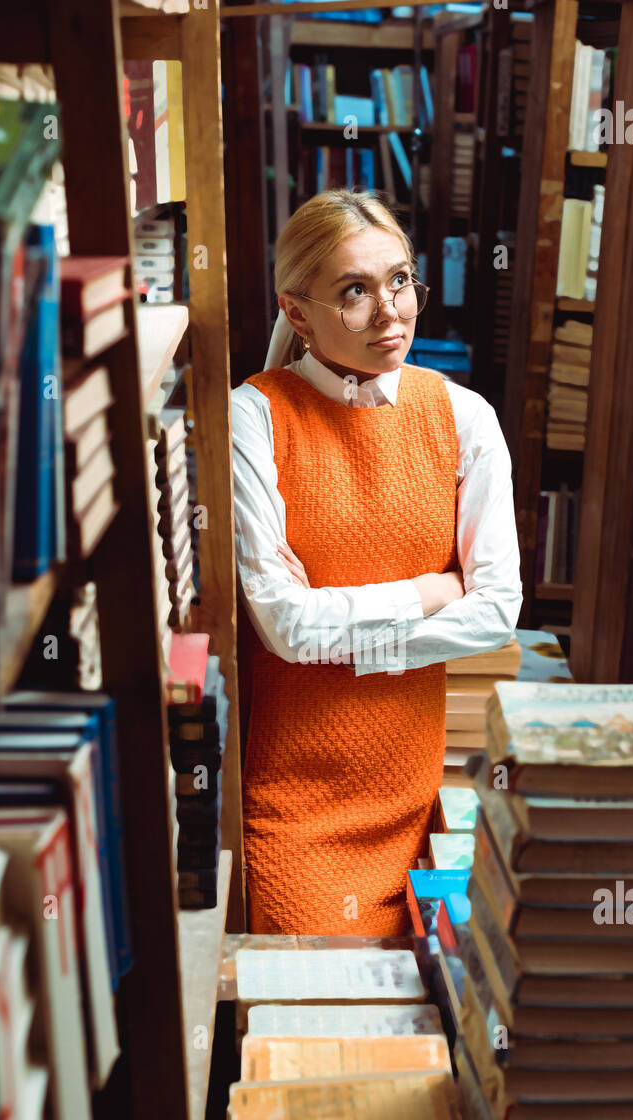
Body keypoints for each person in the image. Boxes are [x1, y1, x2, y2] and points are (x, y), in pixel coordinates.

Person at [231, 189, 522, 935]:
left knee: (416, 1036)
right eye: (353, 292)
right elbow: (285, 629)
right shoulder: (253, 416)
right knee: (302, 1035)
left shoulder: (464, 417)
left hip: (413, 800)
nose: (389, 311)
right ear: (296, 313)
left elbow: (495, 611)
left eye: (398, 280)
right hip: (290, 801)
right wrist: (428, 592)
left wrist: (349, 637)